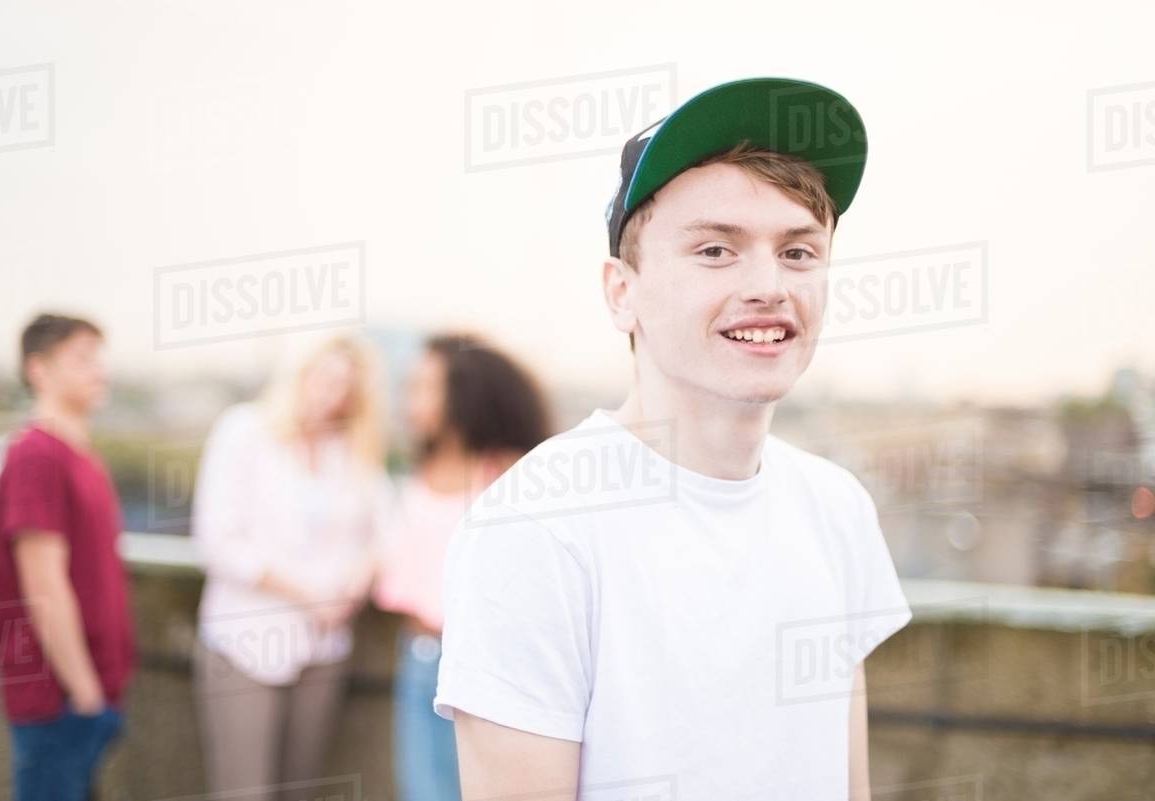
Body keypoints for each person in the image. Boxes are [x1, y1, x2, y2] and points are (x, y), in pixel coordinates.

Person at [434, 78, 914, 800]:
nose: (768, 286)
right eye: (717, 249)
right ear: (621, 291)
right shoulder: (535, 527)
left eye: (799, 251)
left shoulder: (837, 508)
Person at [191, 333, 390, 801]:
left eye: (347, 385)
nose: (333, 392)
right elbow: (217, 539)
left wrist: (354, 586)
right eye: (325, 376)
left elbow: (387, 530)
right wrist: (308, 594)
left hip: (323, 650)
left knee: (302, 789)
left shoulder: (351, 450)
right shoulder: (243, 430)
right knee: (245, 791)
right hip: (245, 645)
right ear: (298, 373)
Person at [373, 334, 550, 801]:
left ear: (462, 393)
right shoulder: (421, 468)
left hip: (481, 666)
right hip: (417, 658)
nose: (411, 400)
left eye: (425, 386)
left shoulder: (508, 474)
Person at [0, 313, 132, 801]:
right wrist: (86, 692)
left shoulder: (80, 455)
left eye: (99, 359)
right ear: (39, 370)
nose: (99, 372)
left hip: (88, 698)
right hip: (60, 702)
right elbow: (43, 585)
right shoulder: (37, 455)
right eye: (82, 359)